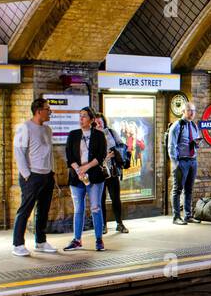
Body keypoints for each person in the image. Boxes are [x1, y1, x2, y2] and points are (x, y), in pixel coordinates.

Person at [12, 96, 57, 255]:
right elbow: (19, 153)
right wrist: (26, 175)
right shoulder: (24, 128)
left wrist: (52, 172)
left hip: (47, 175)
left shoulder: (47, 129)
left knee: (43, 211)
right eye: (47, 109)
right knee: (25, 210)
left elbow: (49, 153)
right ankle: (18, 244)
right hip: (32, 176)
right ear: (39, 111)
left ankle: (41, 242)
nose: (50, 112)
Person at [64, 108, 107, 251]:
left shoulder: (99, 135)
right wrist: (78, 170)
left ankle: (99, 239)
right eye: (80, 116)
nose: (81, 119)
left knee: (95, 208)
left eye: (84, 116)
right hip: (77, 177)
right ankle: (77, 240)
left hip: (94, 176)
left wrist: (86, 167)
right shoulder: (73, 135)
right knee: (78, 209)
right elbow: (69, 156)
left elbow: (101, 156)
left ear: (91, 119)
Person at [167, 102, 200, 224]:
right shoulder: (177, 126)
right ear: (183, 112)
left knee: (189, 189)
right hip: (181, 162)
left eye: (194, 110)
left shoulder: (194, 126)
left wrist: (196, 144)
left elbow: (195, 143)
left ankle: (188, 215)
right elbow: (171, 146)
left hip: (192, 161)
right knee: (177, 189)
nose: (192, 113)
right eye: (189, 110)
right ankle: (176, 217)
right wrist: (175, 163)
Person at [97, 113, 129, 234]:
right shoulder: (93, 136)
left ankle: (119, 223)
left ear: (104, 122)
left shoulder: (111, 132)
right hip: (100, 172)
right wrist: (104, 156)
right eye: (96, 123)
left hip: (113, 170)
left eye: (100, 122)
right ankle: (103, 225)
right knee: (101, 199)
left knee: (116, 198)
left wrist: (115, 152)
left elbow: (122, 146)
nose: (99, 124)